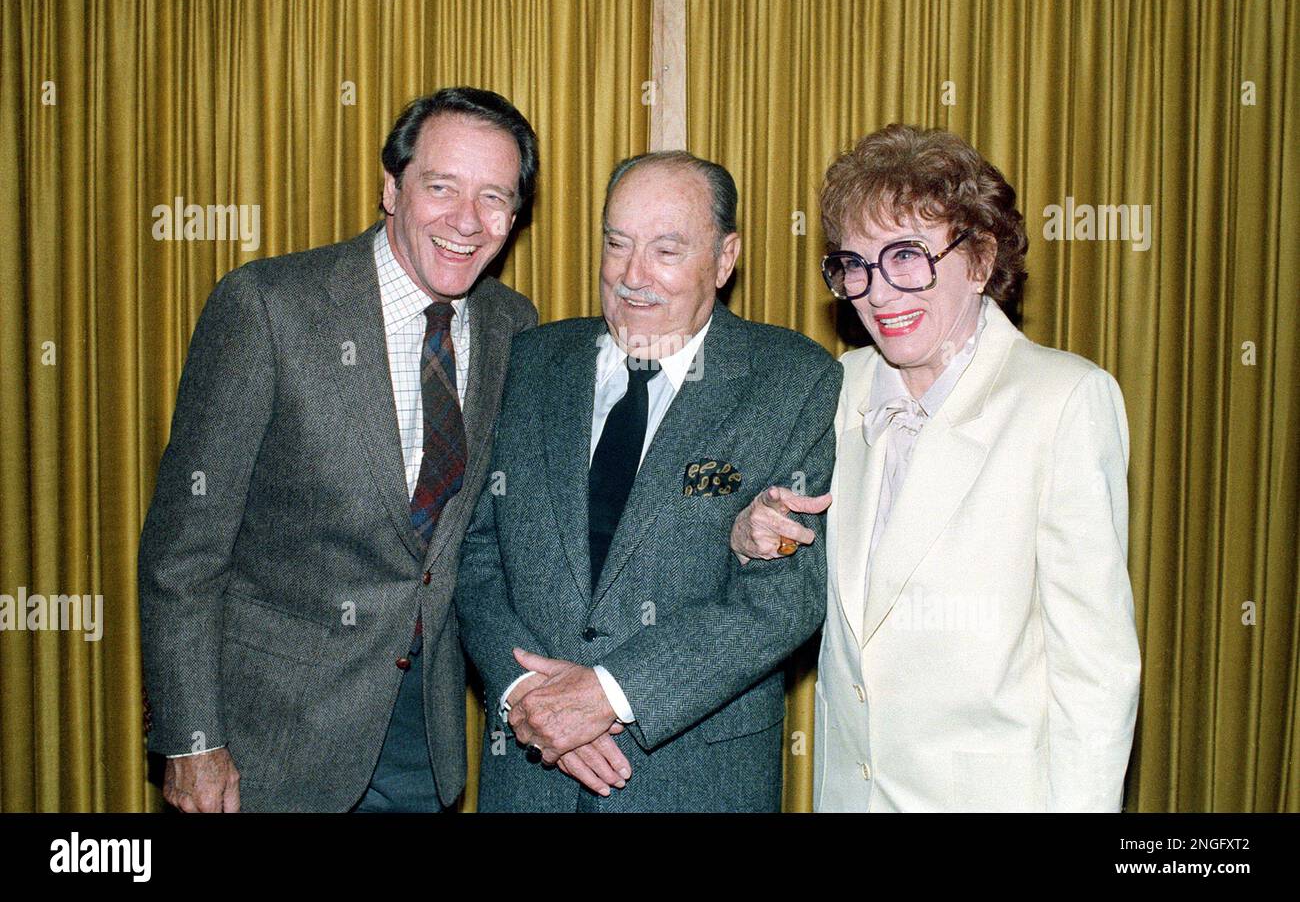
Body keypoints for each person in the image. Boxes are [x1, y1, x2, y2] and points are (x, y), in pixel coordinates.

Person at [138, 87, 539, 812]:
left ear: (514, 215)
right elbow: (184, 552)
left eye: (493, 198)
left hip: (427, 736)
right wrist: (193, 741)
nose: (466, 221)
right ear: (391, 187)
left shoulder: (514, 326)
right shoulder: (268, 307)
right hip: (268, 746)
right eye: (440, 187)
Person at [731, 123, 1141, 811]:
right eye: (854, 265)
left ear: (980, 261)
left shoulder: (1063, 400)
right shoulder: (845, 386)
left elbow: (1096, 674)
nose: (878, 293)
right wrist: (752, 534)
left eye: (908, 257)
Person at [454, 150, 841, 811]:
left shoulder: (792, 381)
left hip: (692, 782)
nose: (633, 277)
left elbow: (781, 600)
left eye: (666, 250)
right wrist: (528, 698)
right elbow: (474, 554)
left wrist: (608, 693)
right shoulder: (529, 361)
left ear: (725, 259)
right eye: (617, 244)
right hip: (528, 773)